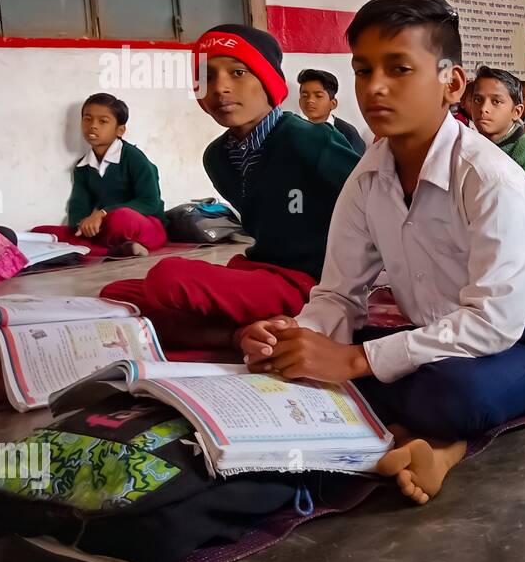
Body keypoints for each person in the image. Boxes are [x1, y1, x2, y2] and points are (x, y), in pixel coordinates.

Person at [242, 0, 525, 504]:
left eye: (399, 69)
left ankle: (434, 438)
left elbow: (493, 323)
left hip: (524, 345)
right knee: (299, 368)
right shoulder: (367, 176)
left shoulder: (491, 180)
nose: (375, 88)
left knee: (453, 396)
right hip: (432, 341)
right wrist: (295, 338)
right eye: (363, 70)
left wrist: (353, 360)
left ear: (452, 83)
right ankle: (425, 446)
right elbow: (337, 293)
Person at [101, 25, 358, 351]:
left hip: (309, 282)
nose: (220, 87)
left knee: (168, 279)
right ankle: (244, 334)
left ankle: (236, 330)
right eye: (207, 77)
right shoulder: (217, 157)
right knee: (118, 294)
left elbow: (371, 202)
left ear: (268, 82)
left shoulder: (309, 140)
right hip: (259, 269)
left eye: (237, 72)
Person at [33, 93, 167, 257]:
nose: (93, 126)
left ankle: (98, 249)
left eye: (103, 121)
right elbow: (78, 206)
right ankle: (117, 249)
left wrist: (102, 213)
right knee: (41, 233)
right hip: (107, 229)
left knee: (121, 218)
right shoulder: (83, 166)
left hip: (145, 226)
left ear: (120, 130)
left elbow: (150, 202)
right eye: (87, 119)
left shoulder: (134, 158)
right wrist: (82, 224)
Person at [469, 66, 525, 173]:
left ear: (517, 112)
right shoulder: (468, 144)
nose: (483, 109)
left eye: (496, 101)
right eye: (478, 100)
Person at [297, 68, 366, 153]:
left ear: (333, 104)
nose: (310, 100)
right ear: (300, 102)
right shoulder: (297, 130)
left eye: (318, 96)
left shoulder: (347, 133)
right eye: (304, 95)